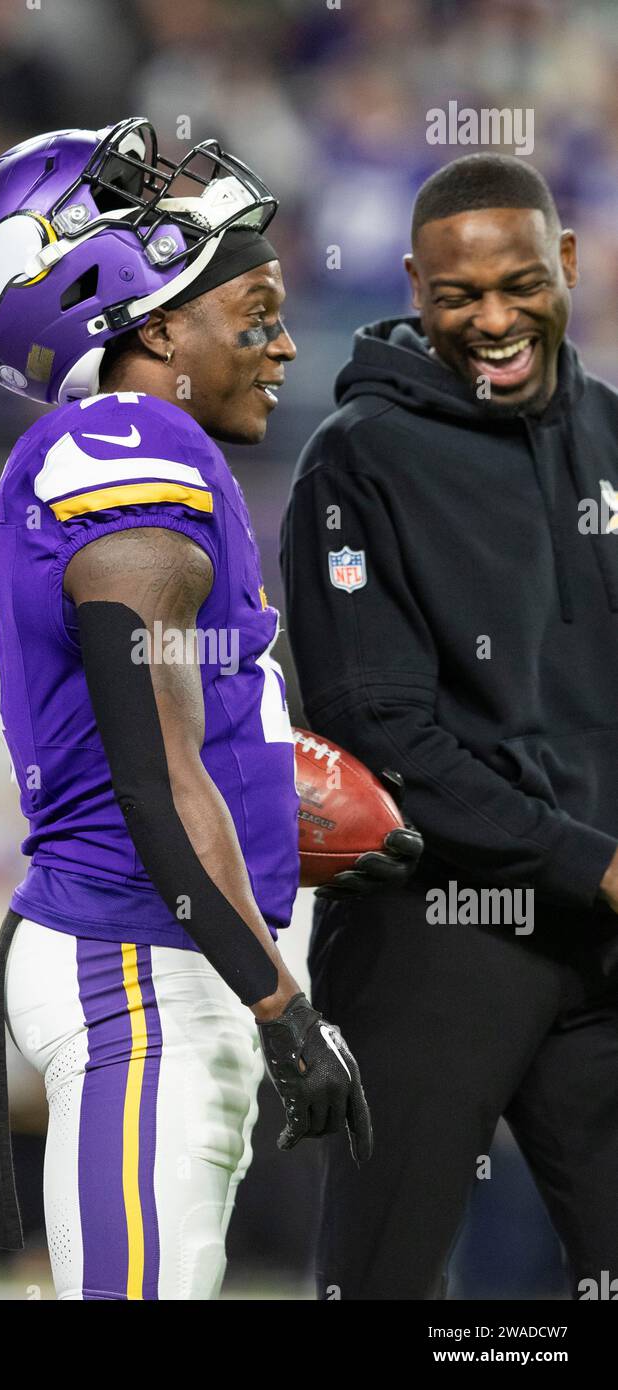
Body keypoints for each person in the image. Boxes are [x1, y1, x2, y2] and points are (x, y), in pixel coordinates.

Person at [0, 118, 420, 1301]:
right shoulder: (128, 439)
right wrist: (280, 1003)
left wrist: (279, 817)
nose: (280, 342)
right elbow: (154, 781)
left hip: (148, 955)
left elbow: (170, 744)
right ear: (153, 327)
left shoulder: (116, 449)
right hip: (140, 971)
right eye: (250, 309)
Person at [282, 153, 618, 1300]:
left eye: (520, 285)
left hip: (602, 941)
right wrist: (593, 860)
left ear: (565, 263)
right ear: (415, 288)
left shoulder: (613, 434)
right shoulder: (357, 461)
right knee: (381, 1282)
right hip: (434, 938)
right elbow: (381, 740)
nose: (492, 320)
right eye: (456, 297)